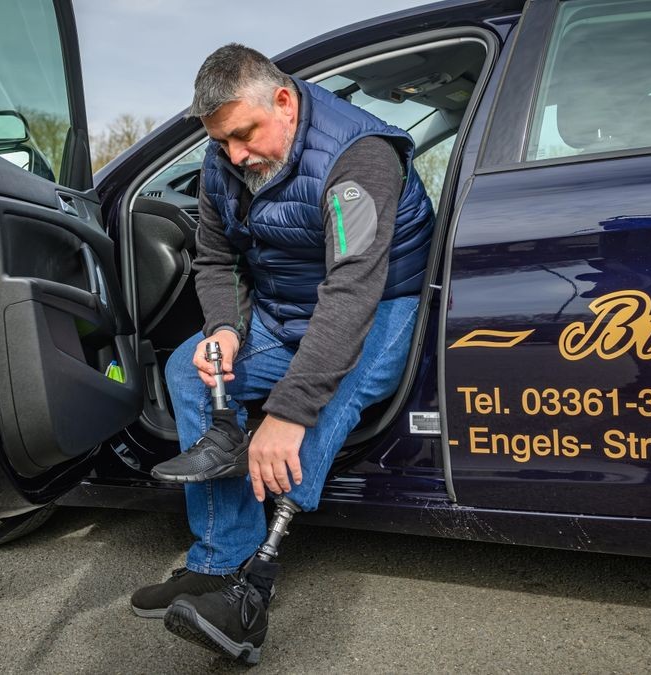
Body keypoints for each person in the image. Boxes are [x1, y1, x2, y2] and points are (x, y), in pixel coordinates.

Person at [129, 43, 435, 663]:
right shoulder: (224, 158)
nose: (235, 155)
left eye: (244, 134)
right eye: (221, 141)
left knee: (326, 404)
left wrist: (288, 413)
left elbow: (351, 291)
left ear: (285, 102)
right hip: (284, 308)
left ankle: (251, 594)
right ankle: (219, 561)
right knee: (191, 372)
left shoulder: (360, 158)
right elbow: (216, 257)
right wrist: (225, 330)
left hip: (379, 304)